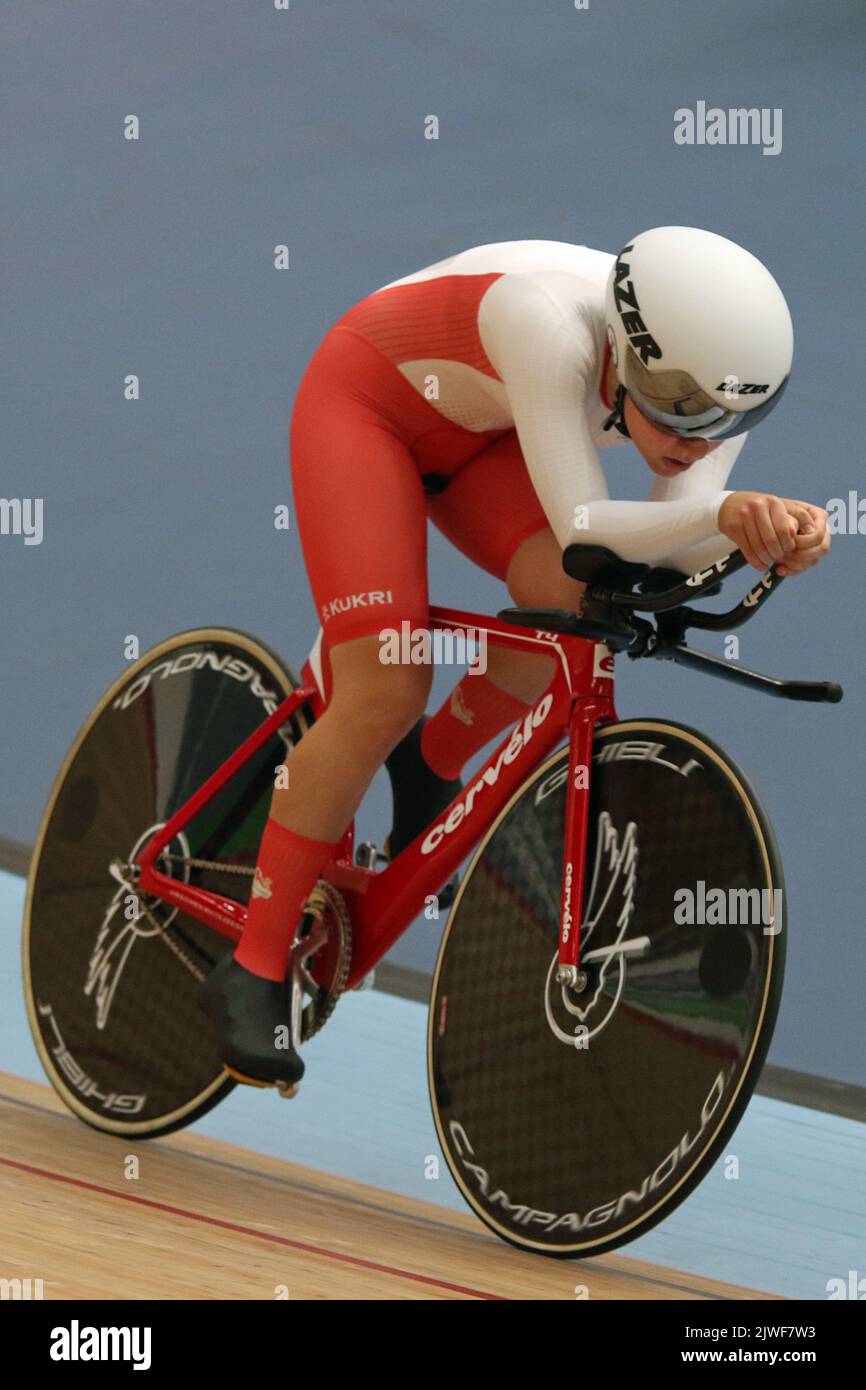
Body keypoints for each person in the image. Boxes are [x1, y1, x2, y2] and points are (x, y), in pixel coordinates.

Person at [200, 226, 830, 1088]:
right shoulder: (547, 323)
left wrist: (769, 535)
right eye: (680, 411)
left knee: (571, 615)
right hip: (367, 411)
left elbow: (670, 546)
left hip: (484, 437)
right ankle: (256, 964)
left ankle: (430, 768)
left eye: (727, 420)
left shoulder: (702, 378)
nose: (698, 440)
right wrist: (725, 518)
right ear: (628, 350)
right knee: (385, 687)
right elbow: (587, 528)